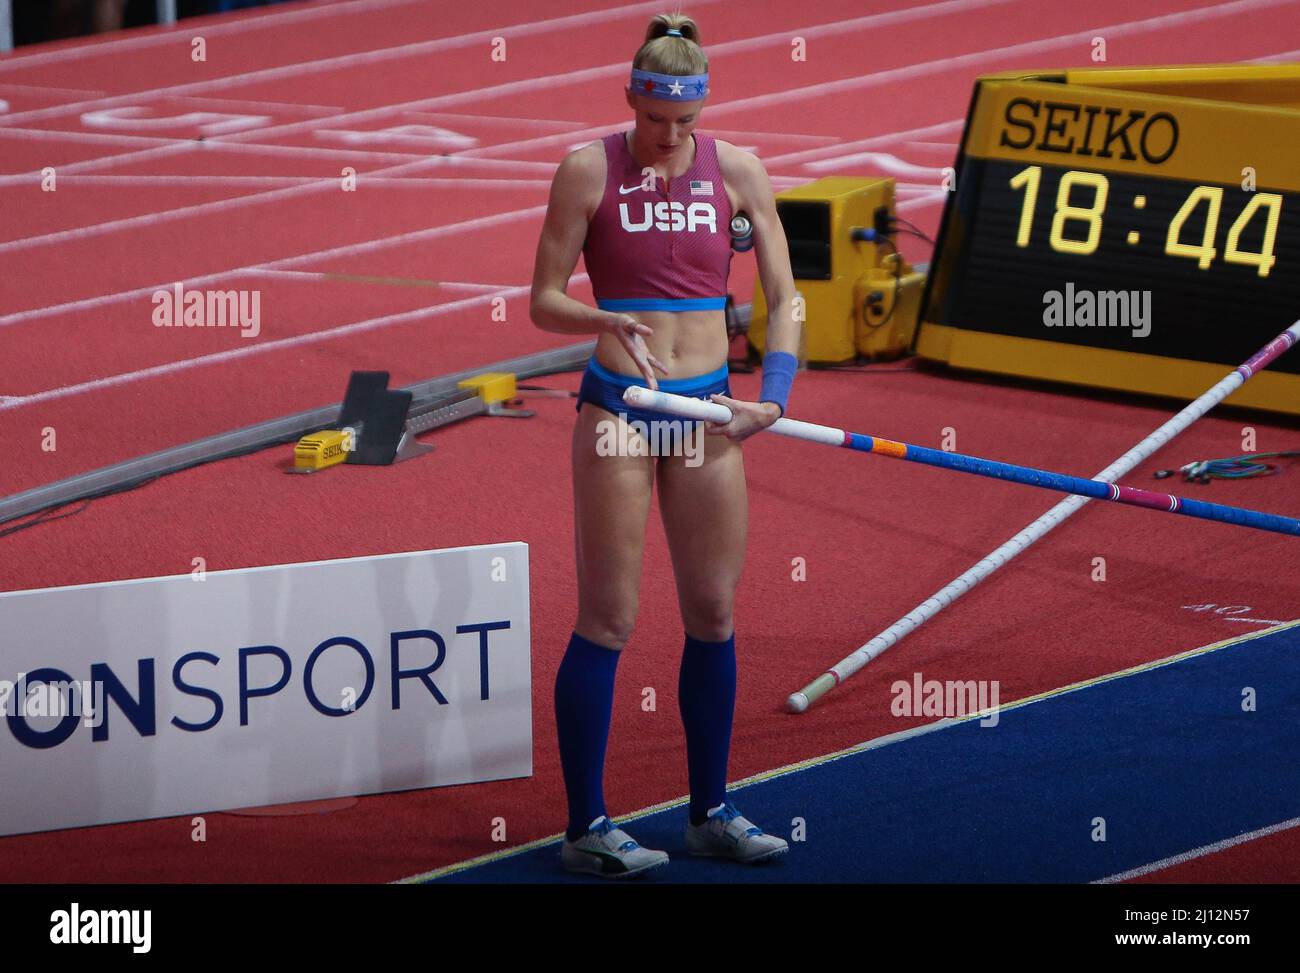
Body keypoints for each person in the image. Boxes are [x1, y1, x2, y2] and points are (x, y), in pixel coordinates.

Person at [529, 11, 801, 878]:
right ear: (631, 100)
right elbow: (541, 298)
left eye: (684, 123)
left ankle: (709, 810)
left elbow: (786, 298)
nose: (669, 139)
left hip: (712, 413)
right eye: (654, 122)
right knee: (609, 617)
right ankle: (585, 826)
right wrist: (602, 314)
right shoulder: (586, 169)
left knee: (714, 613)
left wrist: (776, 397)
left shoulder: (740, 170)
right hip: (619, 406)